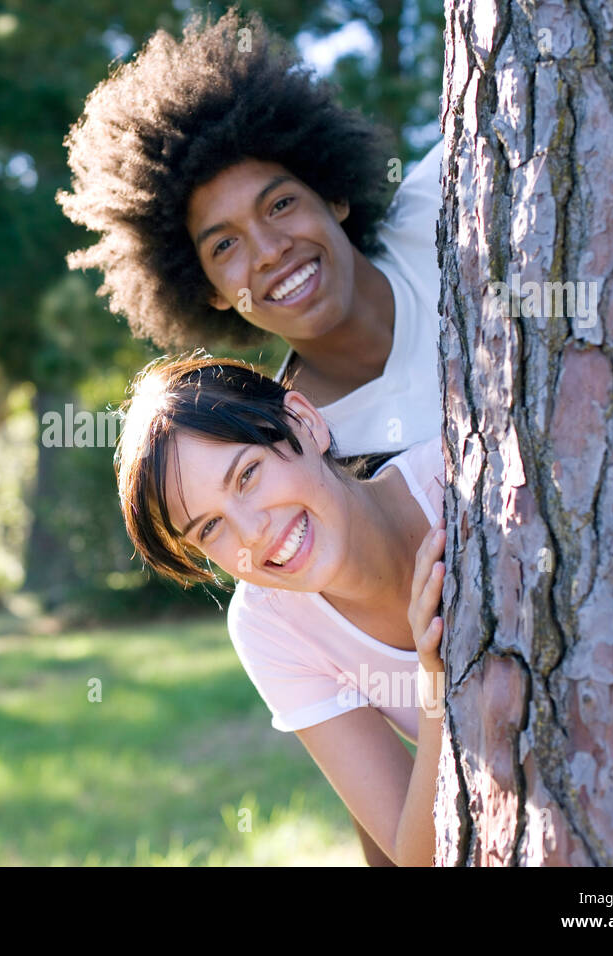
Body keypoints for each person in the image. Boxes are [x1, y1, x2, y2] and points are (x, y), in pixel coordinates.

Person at [59, 6, 443, 460]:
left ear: (335, 196)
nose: (269, 250)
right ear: (210, 292)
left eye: (280, 205)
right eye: (224, 245)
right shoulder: (300, 452)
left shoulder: (449, 205)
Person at [114, 354, 447, 866]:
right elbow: (420, 859)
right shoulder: (269, 623)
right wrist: (438, 688)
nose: (252, 532)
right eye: (210, 528)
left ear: (306, 422)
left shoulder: (464, 483)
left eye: (247, 475)